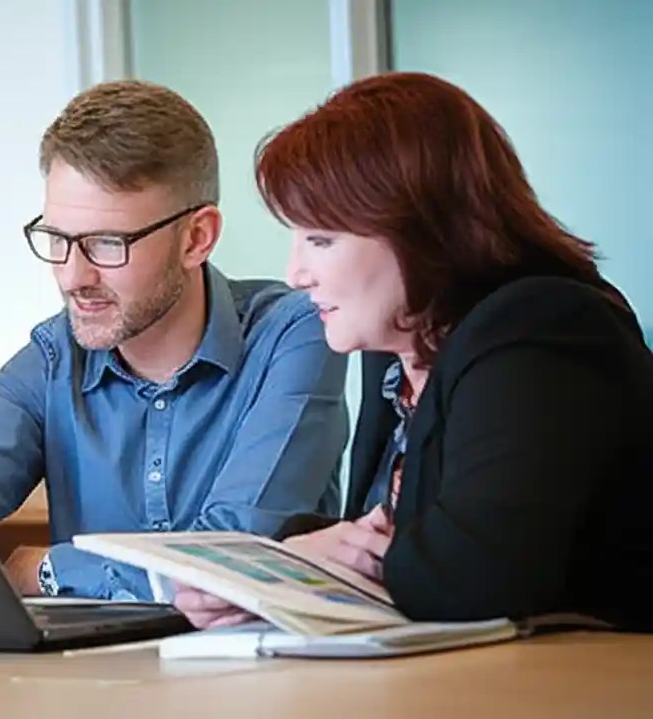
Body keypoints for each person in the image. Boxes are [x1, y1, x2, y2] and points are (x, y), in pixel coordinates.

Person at [175, 72, 653, 632]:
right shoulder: (400, 351)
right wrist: (262, 572)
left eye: (321, 240)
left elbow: (474, 572)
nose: (295, 274)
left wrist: (297, 565)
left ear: (419, 228)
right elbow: (380, 538)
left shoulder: (539, 328)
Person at [0, 80, 349, 601]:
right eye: (58, 240)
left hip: (263, 675)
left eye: (107, 244)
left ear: (196, 238)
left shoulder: (294, 335)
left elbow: (231, 558)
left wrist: (48, 569)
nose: (72, 277)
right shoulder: (50, 358)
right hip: (101, 680)